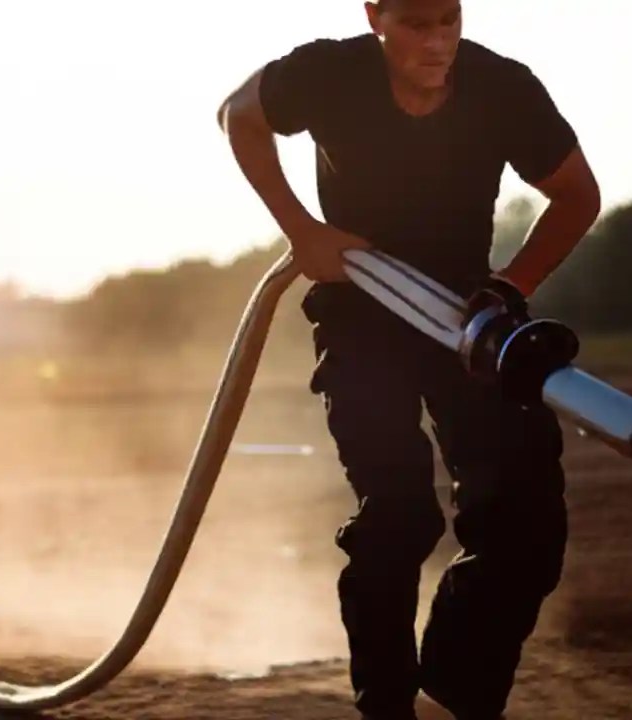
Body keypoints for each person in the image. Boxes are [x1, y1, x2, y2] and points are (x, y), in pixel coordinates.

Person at [216, 1, 601, 718]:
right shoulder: (329, 71)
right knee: (397, 514)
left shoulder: (503, 86)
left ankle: (459, 690)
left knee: (526, 520)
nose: (438, 40)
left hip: (466, 319)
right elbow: (238, 113)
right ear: (376, 16)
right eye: (418, 23)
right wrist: (303, 230)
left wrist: (510, 287)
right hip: (360, 311)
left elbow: (578, 196)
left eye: (449, 20)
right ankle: (387, 707)